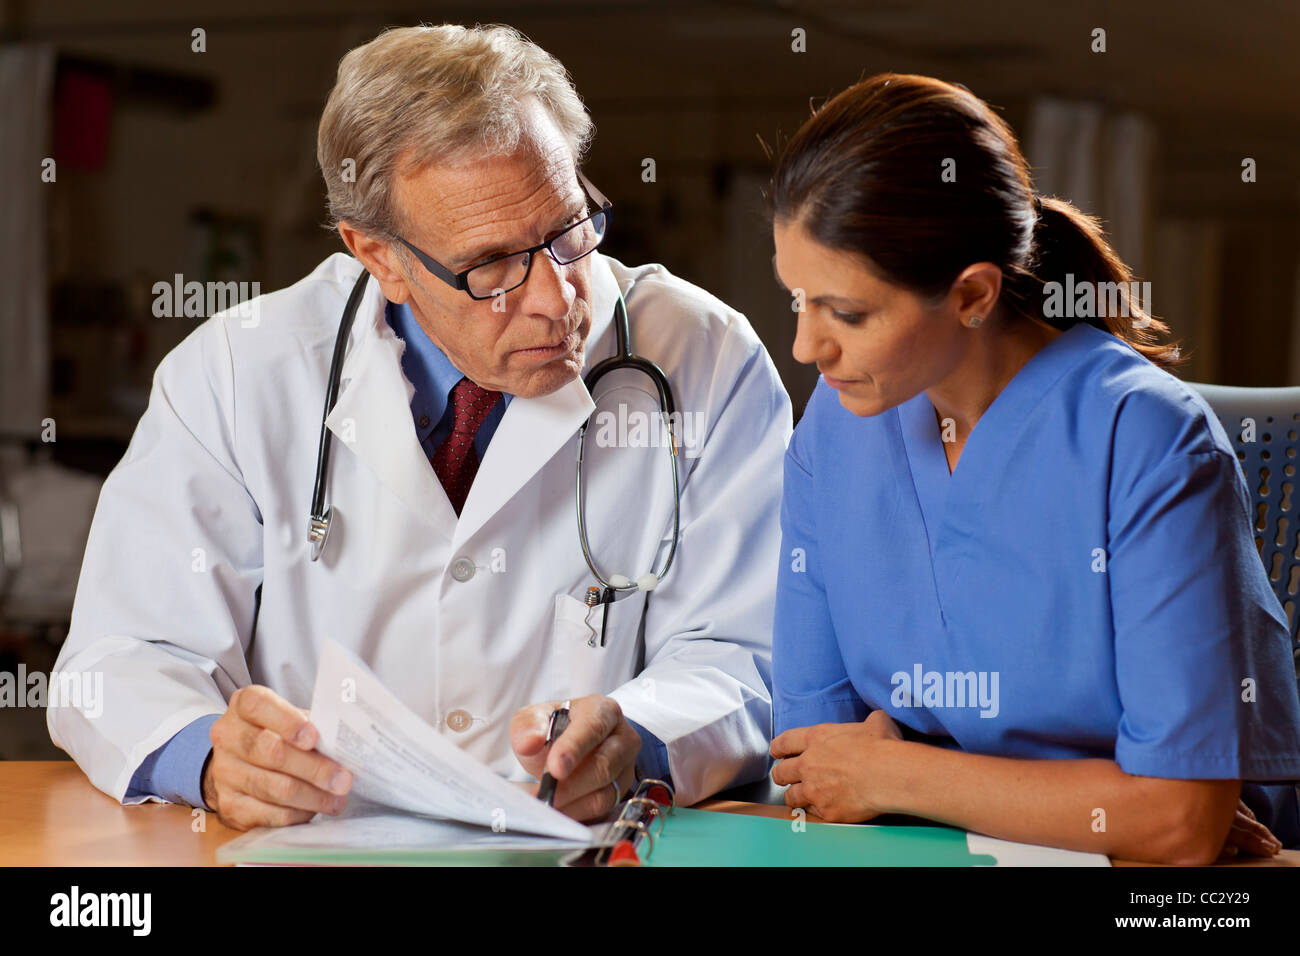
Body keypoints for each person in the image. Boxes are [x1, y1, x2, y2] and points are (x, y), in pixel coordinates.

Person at [48, 23, 791, 830]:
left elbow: (744, 651)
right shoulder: (236, 372)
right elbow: (120, 658)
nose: (558, 297)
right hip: (319, 846)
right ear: (380, 256)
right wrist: (211, 756)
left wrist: (638, 743)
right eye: (494, 265)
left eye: (569, 232)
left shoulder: (705, 357)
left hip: (580, 842)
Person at [767, 73, 1300, 864]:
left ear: (973, 295)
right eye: (798, 301)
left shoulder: (1146, 438)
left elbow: (1175, 825)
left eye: (847, 313)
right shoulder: (836, 431)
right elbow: (812, 771)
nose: (808, 347)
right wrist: (1087, 796)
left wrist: (898, 773)